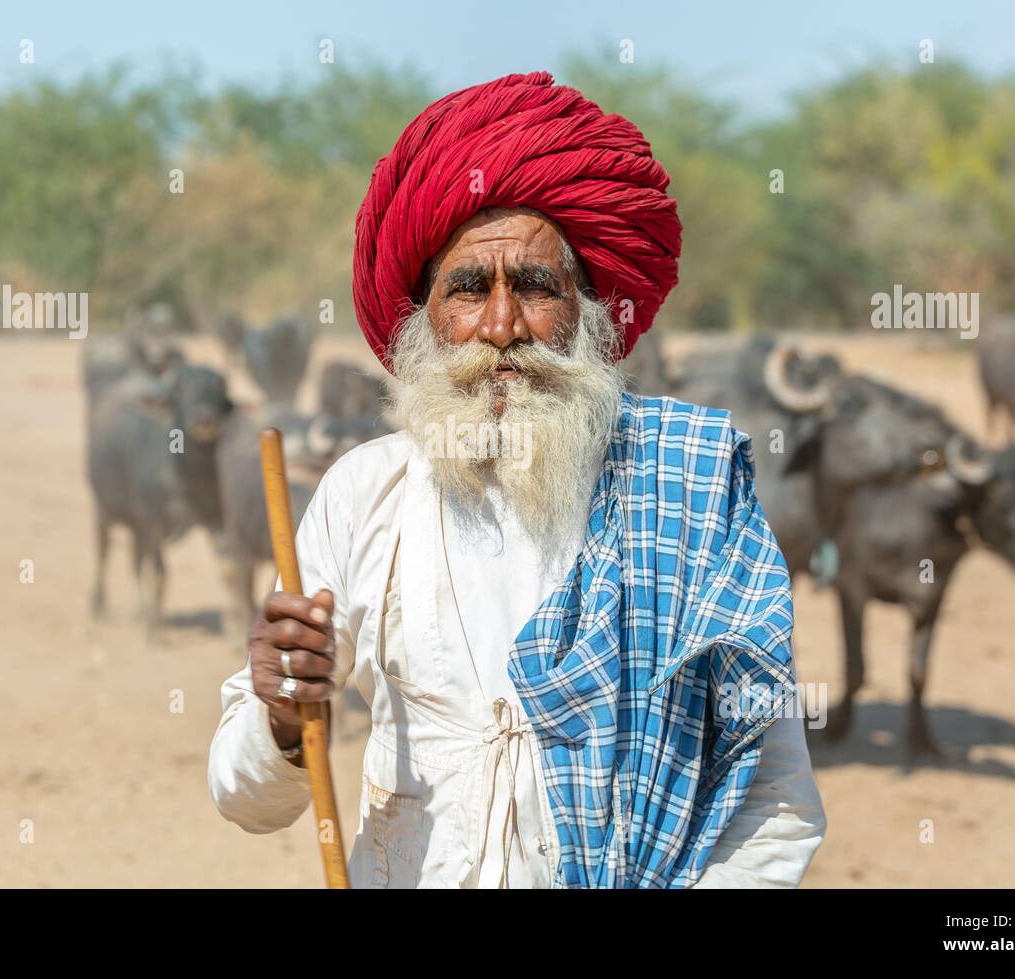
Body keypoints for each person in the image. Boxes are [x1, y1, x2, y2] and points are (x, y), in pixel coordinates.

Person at [209, 71, 825, 888]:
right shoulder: (366, 493)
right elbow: (247, 798)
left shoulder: (688, 487)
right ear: (423, 314)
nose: (501, 327)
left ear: (593, 312)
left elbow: (776, 795)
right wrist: (285, 714)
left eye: (536, 286)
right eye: (467, 288)